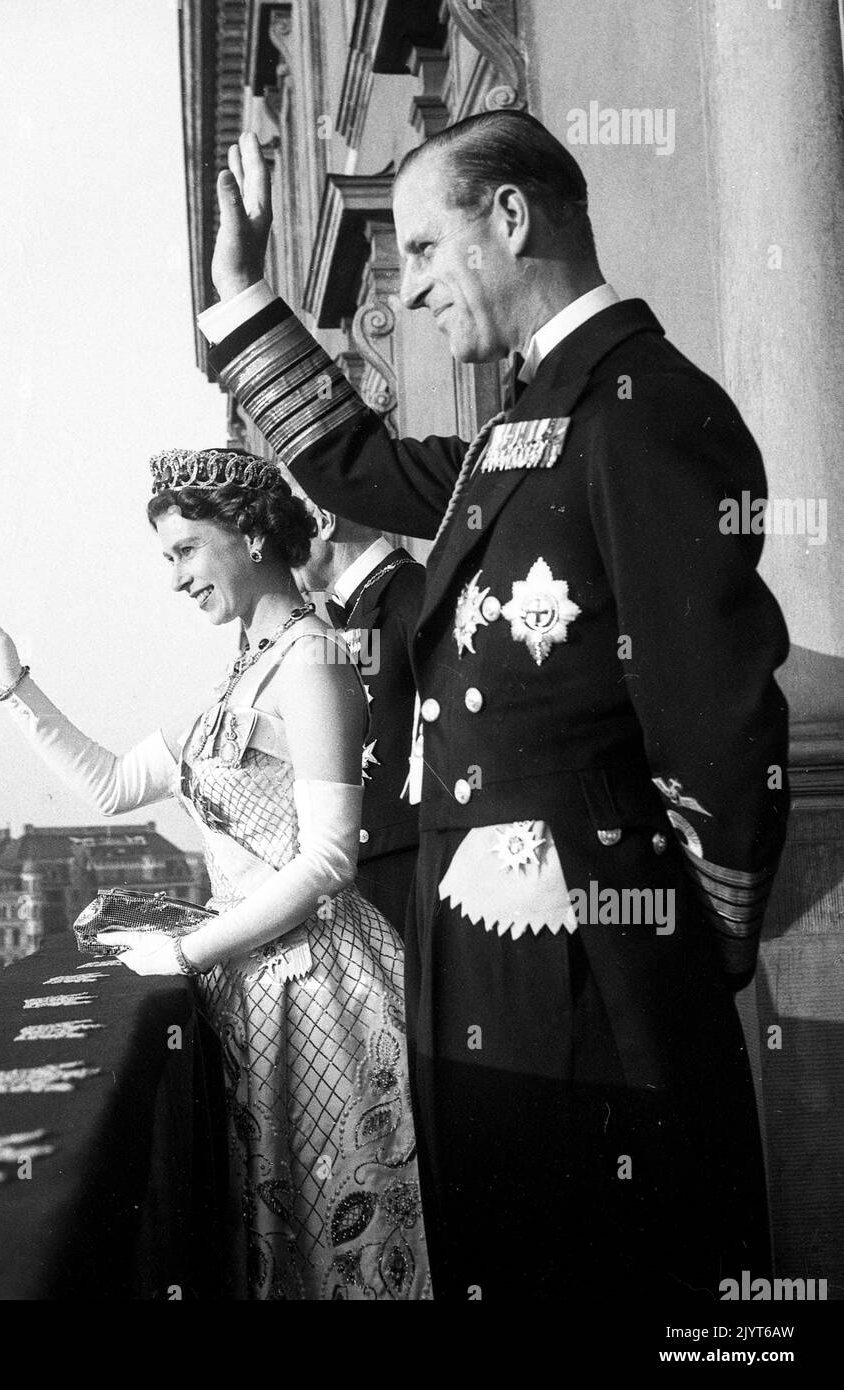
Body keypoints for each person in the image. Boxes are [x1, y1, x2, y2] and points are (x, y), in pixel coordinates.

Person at [195, 115, 791, 1301]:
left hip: (591, 971)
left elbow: (719, 725)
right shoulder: (516, 434)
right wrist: (246, 290)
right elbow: (351, 463)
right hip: (492, 971)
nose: (407, 289)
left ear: (510, 219)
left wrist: (681, 941)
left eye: (421, 250)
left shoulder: (647, 408)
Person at [0, 447, 432, 1301]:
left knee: (342, 1251)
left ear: (246, 533)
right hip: (258, 991)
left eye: (184, 551)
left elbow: (327, 858)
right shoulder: (242, 674)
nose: (174, 579)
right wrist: (8, 679)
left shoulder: (313, 660)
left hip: (321, 997)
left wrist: (187, 952)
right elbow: (113, 784)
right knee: (283, 1245)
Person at [290, 484, 424, 934]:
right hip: (372, 872)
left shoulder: (415, 598)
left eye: (285, 528)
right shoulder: (350, 612)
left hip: (414, 874)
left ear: (323, 521)